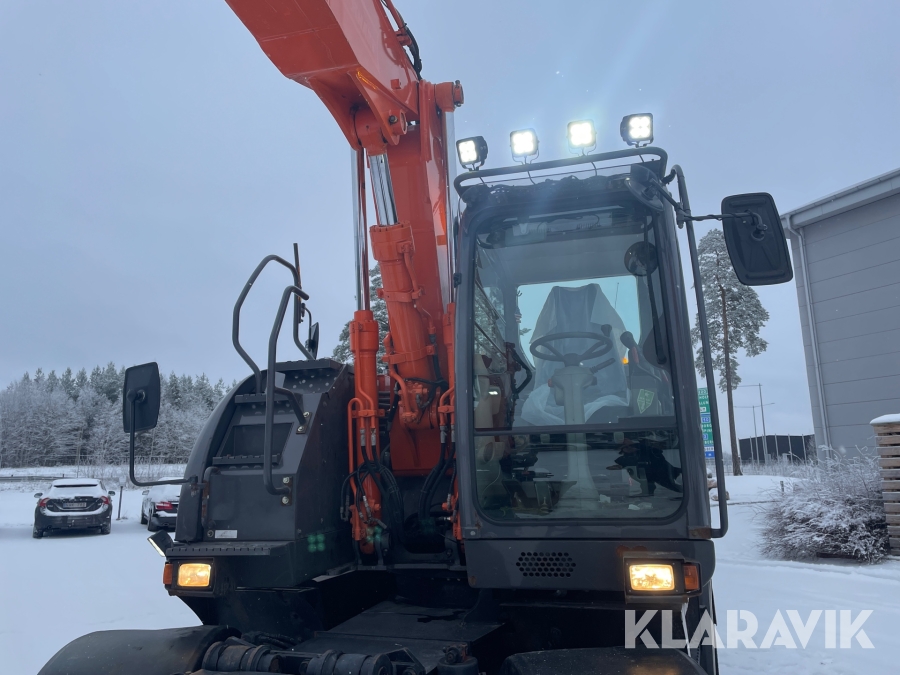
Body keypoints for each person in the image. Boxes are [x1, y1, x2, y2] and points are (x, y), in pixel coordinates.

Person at [607, 437, 682, 496]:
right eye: (626, 447)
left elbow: (656, 452)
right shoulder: (625, 459)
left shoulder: (649, 452)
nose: (630, 448)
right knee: (675, 488)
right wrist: (619, 467)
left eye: (631, 446)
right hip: (656, 480)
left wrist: (634, 444)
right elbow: (646, 479)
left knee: (677, 487)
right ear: (622, 450)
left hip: (670, 473)